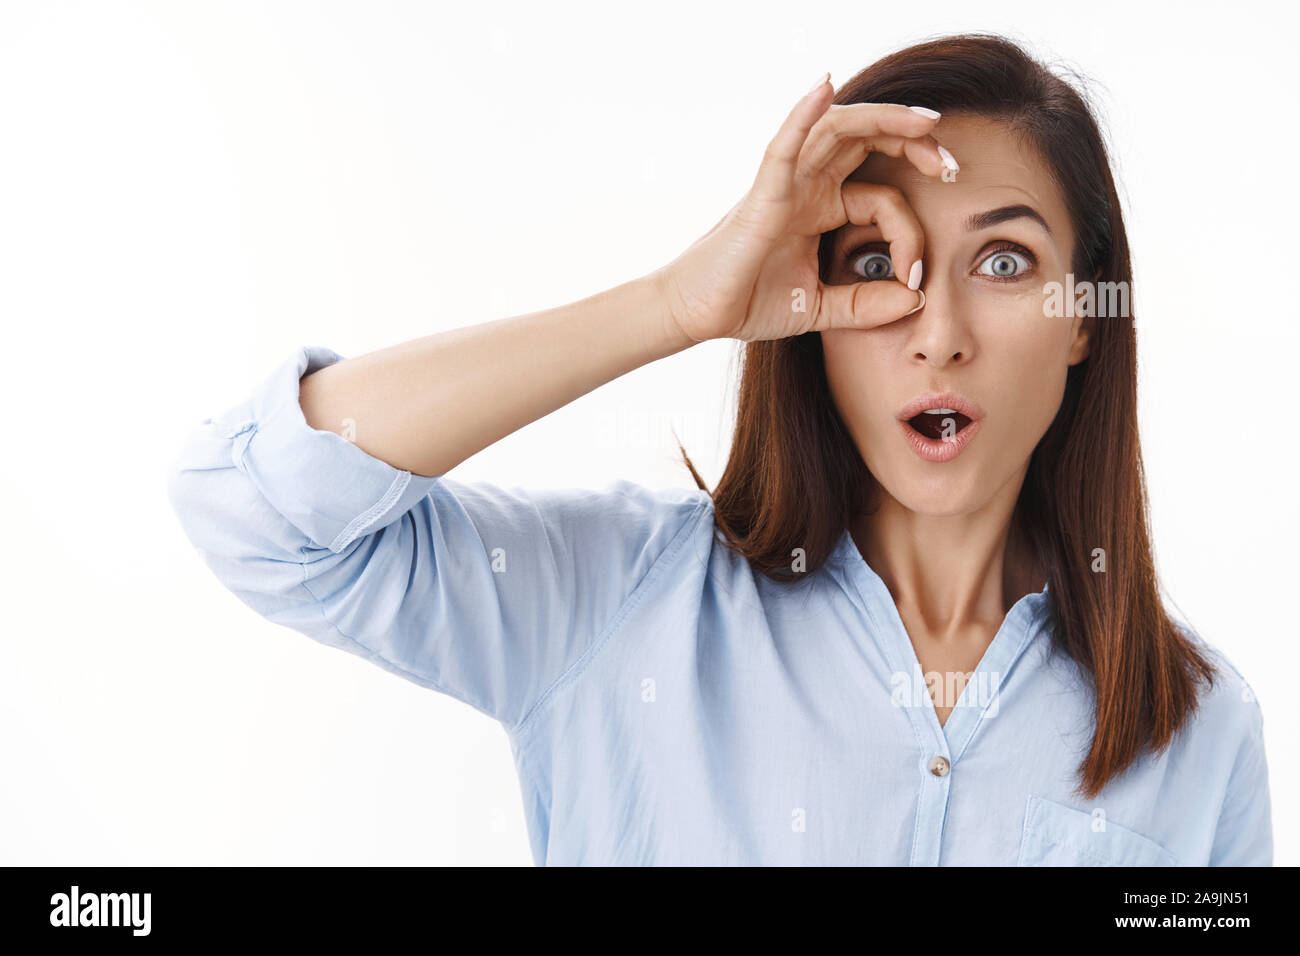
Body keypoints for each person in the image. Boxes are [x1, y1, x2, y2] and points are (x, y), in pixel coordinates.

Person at [168, 33, 1272, 865]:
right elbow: (259, 509)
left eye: (1002, 264)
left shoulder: (1204, 731)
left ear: (1083, 314)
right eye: (879, 262)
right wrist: (672, 306)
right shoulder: (612, 600)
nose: (938, 333)